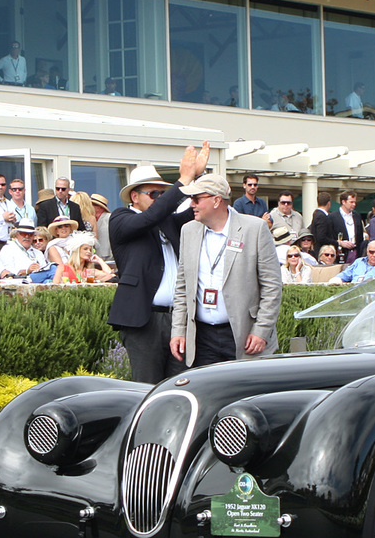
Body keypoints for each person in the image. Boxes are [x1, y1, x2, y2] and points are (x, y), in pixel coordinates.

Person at [106, 145, 210, 384]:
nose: (160, 199)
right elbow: (151, 217)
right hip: (146, 320)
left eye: (162, 194)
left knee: (181, 386)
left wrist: (196, 178)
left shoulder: (167, 221)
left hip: (177, 319)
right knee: (147, 387)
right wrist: (183, 178)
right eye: (154, 194)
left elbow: (195, 212)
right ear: (135, 196)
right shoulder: (121, 218)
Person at [169, 173, 281, 369]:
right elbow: (182, 287)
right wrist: (178, 330)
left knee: (245, 398)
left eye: (196, 199)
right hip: (202, 339)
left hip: (244, 336)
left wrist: (261, 330)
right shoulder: (189, 230)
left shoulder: (254, 228)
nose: (191, 204)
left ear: (216, 200)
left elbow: (272, 286)